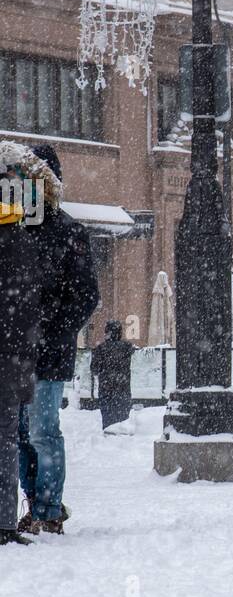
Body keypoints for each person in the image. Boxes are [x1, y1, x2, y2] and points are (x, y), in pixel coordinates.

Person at [17, 143, 99, 536]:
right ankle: (37, 502)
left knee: (40, 431)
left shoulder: (68, 232)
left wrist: (50, 328)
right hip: (16, 352)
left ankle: (48, 508)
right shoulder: (14, 226)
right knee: (19, 434)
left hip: (46, 353)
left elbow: (85, 295)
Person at [1, 143, 63, 546]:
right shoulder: (20, 240)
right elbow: (25, 306)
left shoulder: (23, 239)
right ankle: (8, 521)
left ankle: (32, 512)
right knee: (11, 438)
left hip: (16, 355)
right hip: (13, 356)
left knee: (21, 437)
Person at [90, 321, 136, 430]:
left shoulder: (101, 349)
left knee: (108, 422)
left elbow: (94, 369)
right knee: (123, 421)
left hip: (106, 390)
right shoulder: (127, 347)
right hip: (123, 389)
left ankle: (108, 435)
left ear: (108, 332)